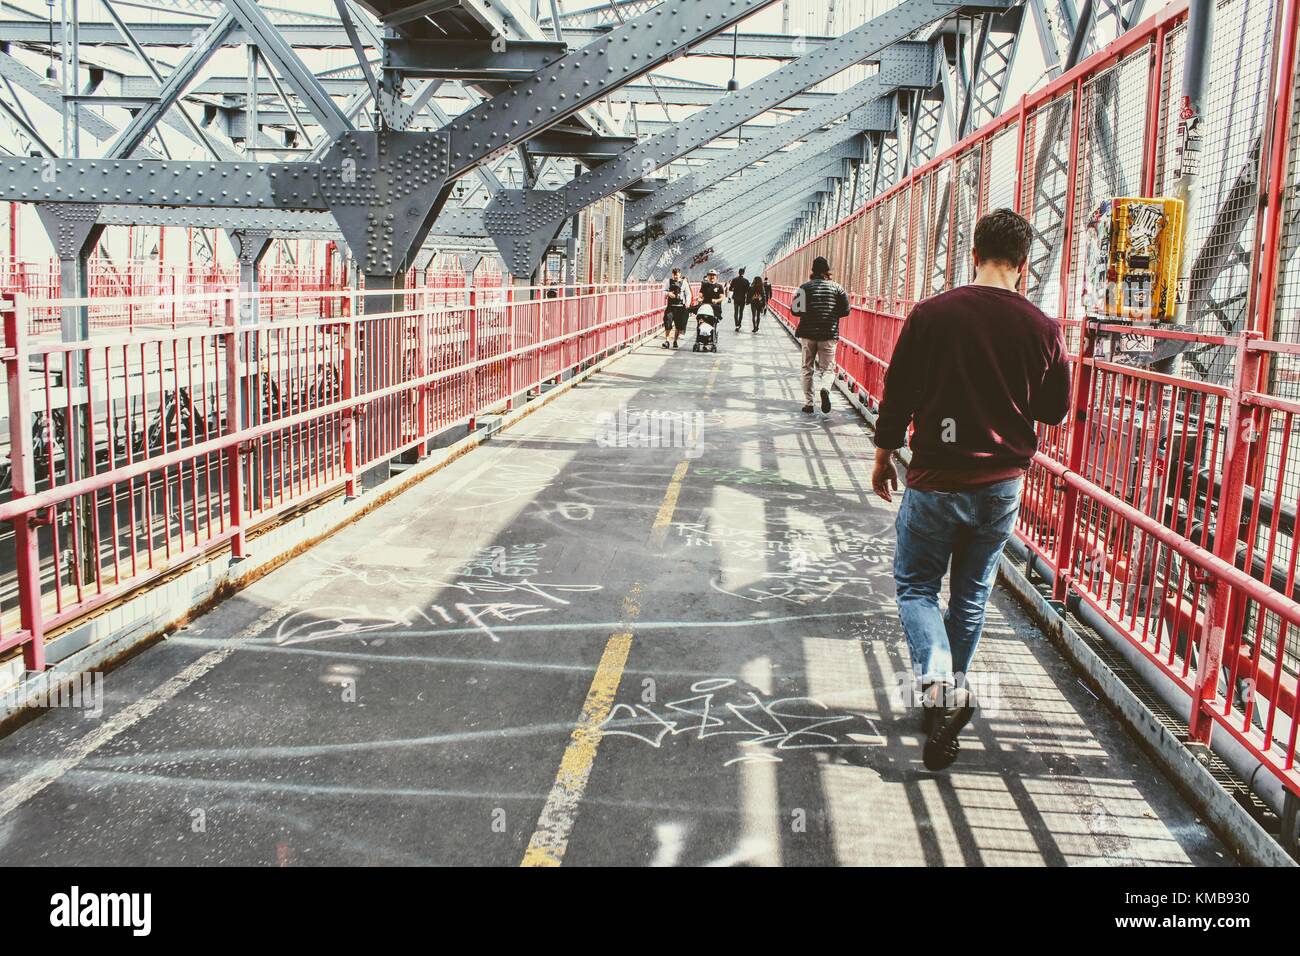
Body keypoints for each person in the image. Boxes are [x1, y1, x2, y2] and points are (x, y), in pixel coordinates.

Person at [870, 208, 1071, 773]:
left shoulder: (932, 315)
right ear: (1024, 266)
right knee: (971, 597)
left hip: (936, 480)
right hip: (1001, 486)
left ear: (973, 255)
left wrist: (885, 453)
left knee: (914, 587)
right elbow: (1054, 410)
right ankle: (943, 707)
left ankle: (937, 684)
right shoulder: (1044, 328)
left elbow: (898, 390)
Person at [790, 256, 849, 415]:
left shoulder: (804, 288)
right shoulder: (838, 288)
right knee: (827, 369)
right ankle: (824, 388)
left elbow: (795, 310)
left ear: (812, 271)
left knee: (807, 368)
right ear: (827, 271)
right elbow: (846, 311)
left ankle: (809, 403)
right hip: (828, 333)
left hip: (808, 334)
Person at [662, 268, 691, 350]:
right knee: (667, 322)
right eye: (674, 274)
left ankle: (675, 341)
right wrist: (668, 293)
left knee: (678, 325)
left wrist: (687, 303)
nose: (675, 276)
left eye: (677, 274)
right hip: (671, 306)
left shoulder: (684, 283)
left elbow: (688, 294)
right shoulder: (669, 281)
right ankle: (667, 341)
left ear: (680, 274)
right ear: (672, 274)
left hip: (680, 307)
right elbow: (663, 291)